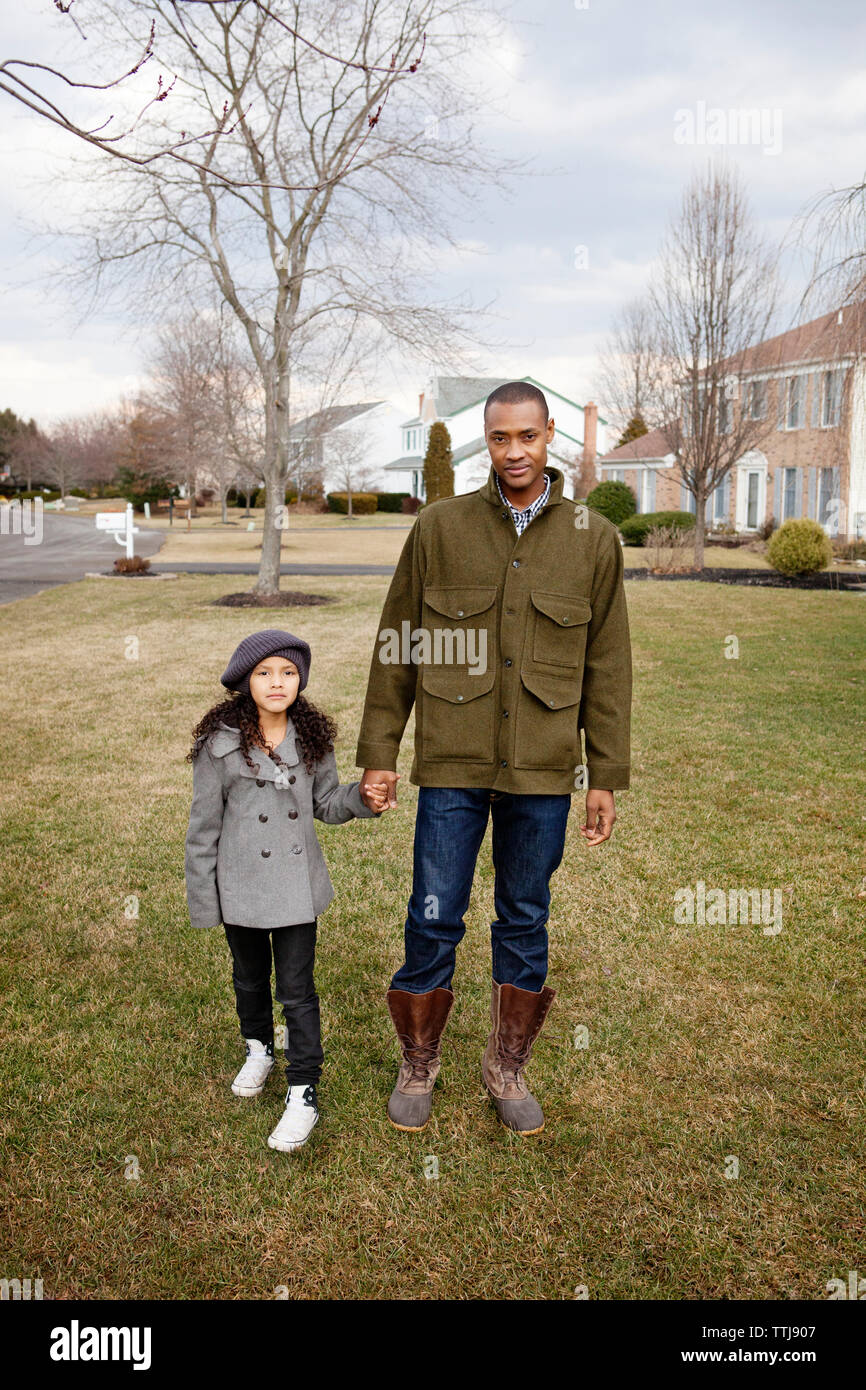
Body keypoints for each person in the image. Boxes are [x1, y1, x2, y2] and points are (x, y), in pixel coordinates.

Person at [356, 382, 632, 1136]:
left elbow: (608, 668)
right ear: (487, 441)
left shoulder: (592, 538)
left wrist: (605, 774)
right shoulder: (440, 529)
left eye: (528, 437)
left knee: (525, 915)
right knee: (433, 913)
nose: (514, 452)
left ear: (551, 438)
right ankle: (419, 1058)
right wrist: (380, 752)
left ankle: (506, 1065)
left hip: (543, 770)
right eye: (500, 439)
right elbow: (399, 646)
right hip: (451, 762)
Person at [184, 629, 388, 1152]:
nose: (278, 682)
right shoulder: (220, 745)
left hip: (297, 889)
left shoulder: (313, 740)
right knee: (249, 979)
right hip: (240, 888)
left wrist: (362, 798)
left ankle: (303, 1091)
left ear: (301, 680)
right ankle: (258, 1048)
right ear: (245, 682)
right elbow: (202, 828)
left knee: (297, 990)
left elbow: (326, 803)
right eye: (264, 672)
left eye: (288, 672)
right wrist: (206, 903)